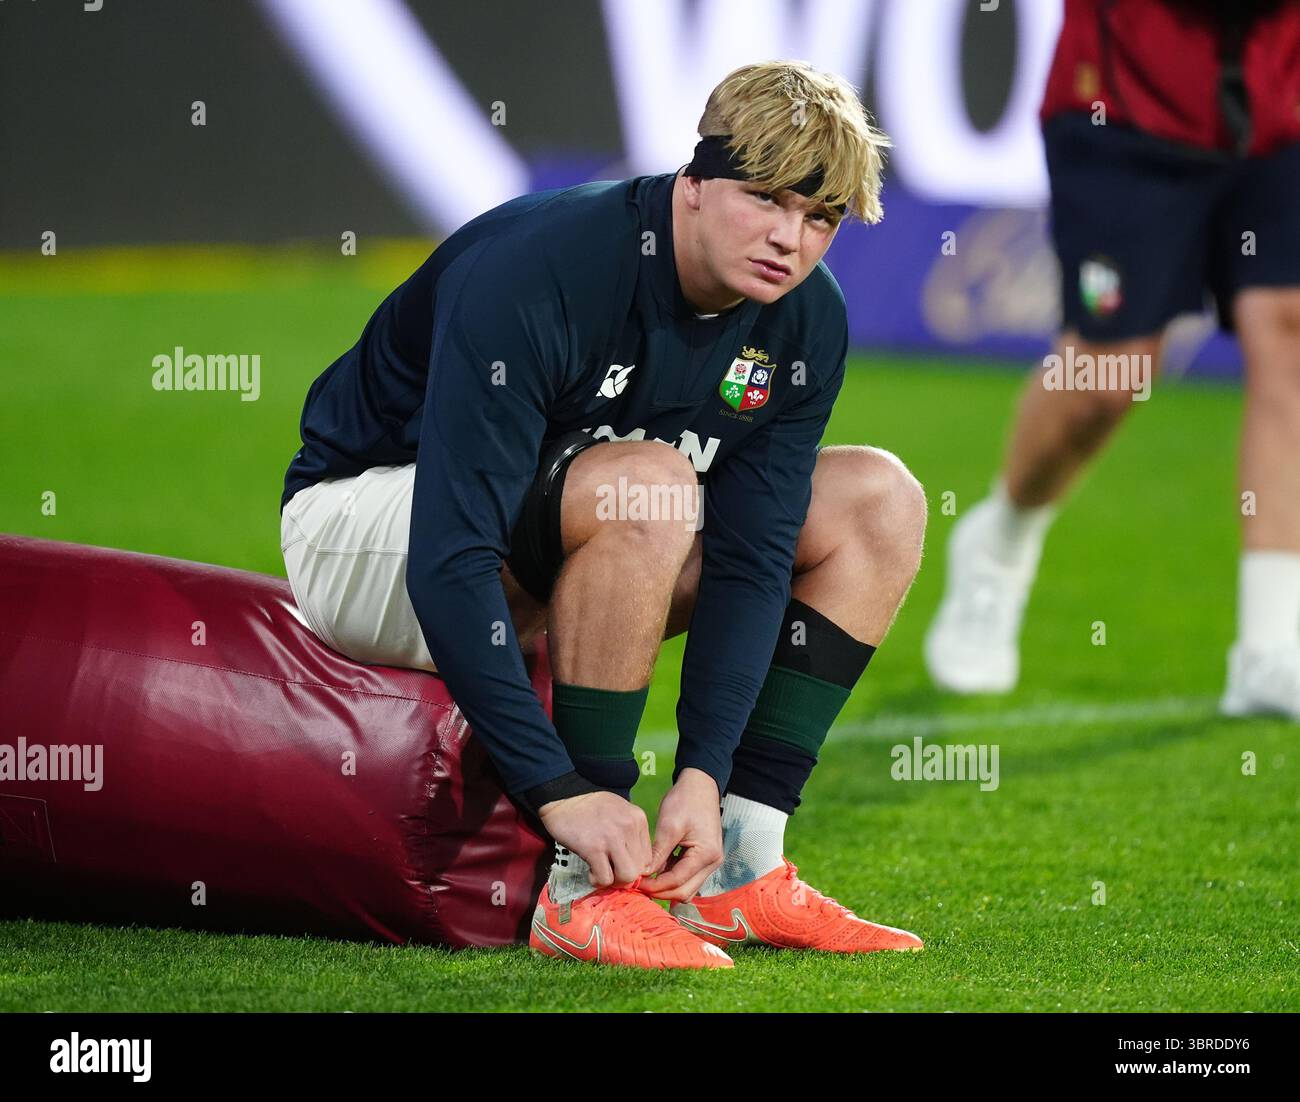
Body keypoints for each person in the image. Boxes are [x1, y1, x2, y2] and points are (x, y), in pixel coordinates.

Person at [280, 60, 925, 969]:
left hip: (563, 544)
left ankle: (739, 866)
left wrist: (704, 773)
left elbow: (753, 556)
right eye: (767, 199)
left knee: (877, 502)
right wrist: (557, 790)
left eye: (819, 217)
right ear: (692, 185)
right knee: (653, 483)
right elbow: (450, 559)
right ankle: (584, 892)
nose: (791, 238)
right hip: (368, 532)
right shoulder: (544, 265)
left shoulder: (803, 318)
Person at [925, 0, 1300, 716]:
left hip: (1282, 97)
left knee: (1290, 332)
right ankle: (1002, 541)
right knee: (1110, 373)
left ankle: (1270, 646)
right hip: (1128, 98)